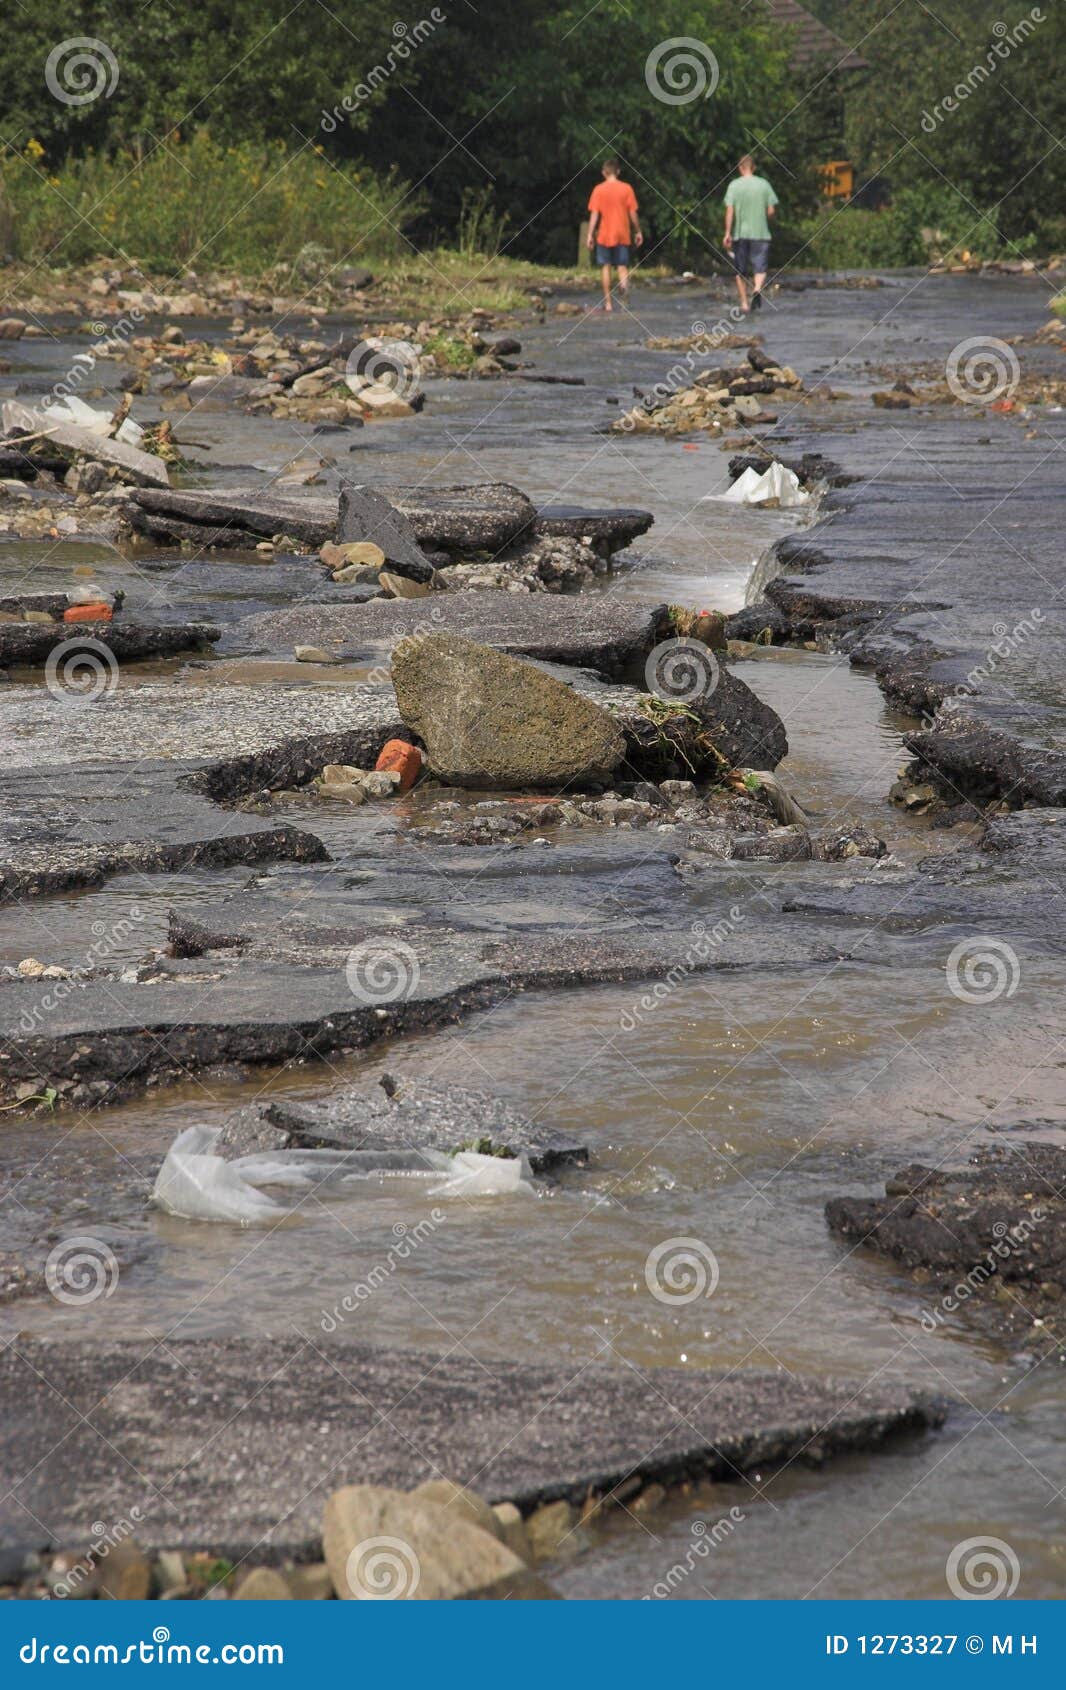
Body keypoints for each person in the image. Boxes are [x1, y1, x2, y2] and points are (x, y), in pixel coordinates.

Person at [723, 155, 777, 314]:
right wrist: (768, 218)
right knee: (760, 267)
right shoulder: (764, 184)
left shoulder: (734, 186)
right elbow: (771, 210)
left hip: (741, 234)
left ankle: (745, 304)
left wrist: (727, 232)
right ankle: (757, 288)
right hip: (761, 233)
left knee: (740, 270)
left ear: (740, 168)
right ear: (754, 168)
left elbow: (729, 211)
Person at [587, 159, 642, 312]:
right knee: (622, 266)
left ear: (604, 173)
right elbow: (633, 213)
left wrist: (590, 234)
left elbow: (595, 215)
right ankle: (624, 297)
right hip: (622, 234)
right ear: (618, 172)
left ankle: (609, 304)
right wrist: (638, 231)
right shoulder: (627, 189)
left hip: (604, 234)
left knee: (606, 266)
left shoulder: (598, 190)